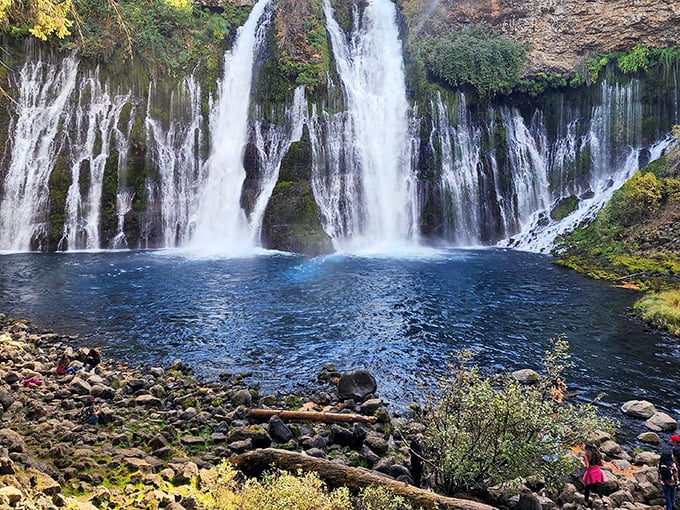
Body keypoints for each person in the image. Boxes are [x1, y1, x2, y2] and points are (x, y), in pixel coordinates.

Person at [582, 444, 607, 508]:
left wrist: (582, 461)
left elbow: (587, 466)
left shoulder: (586, 455)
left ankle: (586, 503)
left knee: (587, 487)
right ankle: (603, 500)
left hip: (590, 473)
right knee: (595, 486)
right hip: (597, 471)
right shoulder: (597, 454)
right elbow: (601, 464)